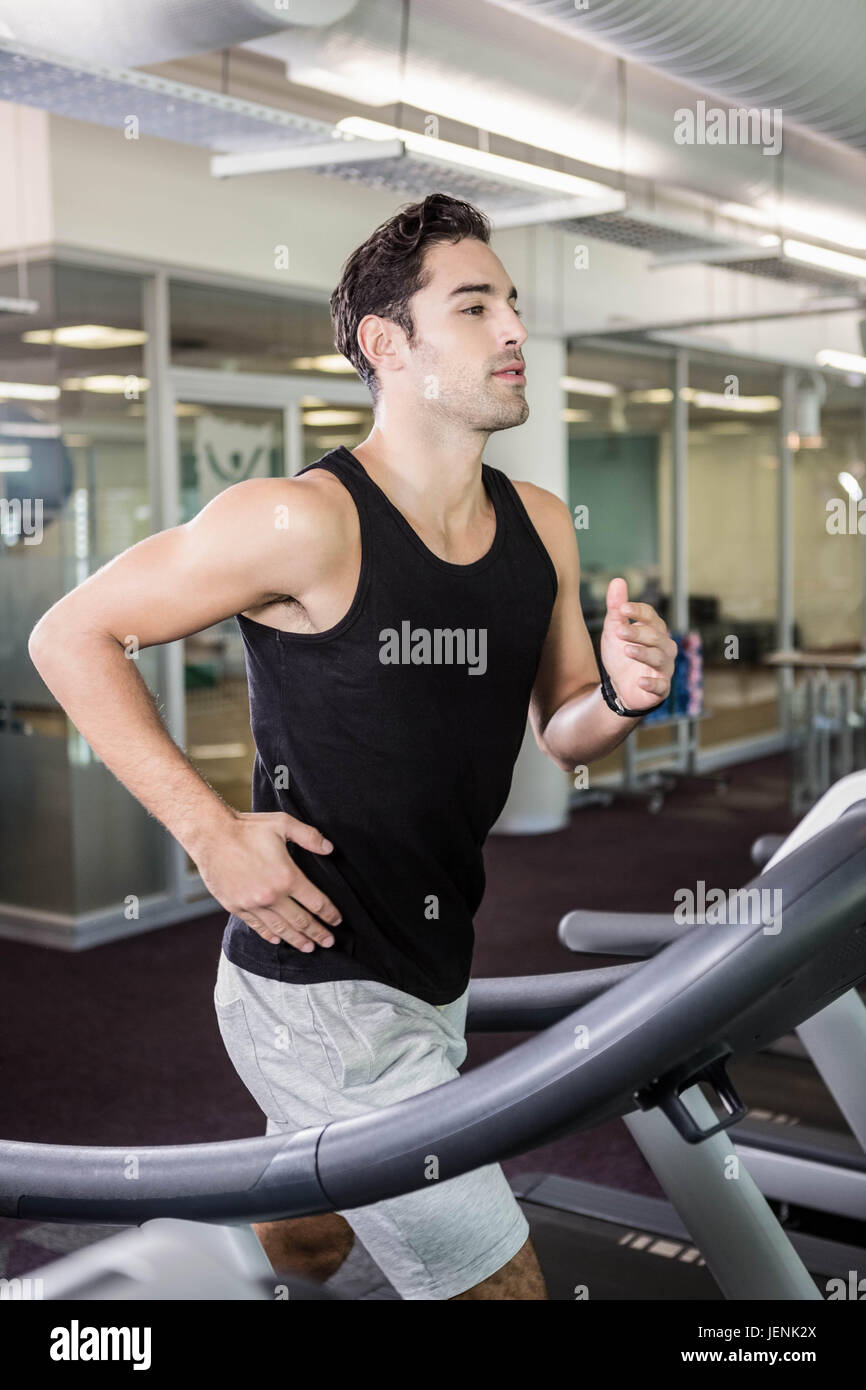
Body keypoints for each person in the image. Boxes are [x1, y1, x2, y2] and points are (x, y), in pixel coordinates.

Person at [28, 192, 675, 1300]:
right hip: (316, 980)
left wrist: (622, 695)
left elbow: (564, 731)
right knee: (498, 1287)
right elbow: (69, 633)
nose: (514, 329)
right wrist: (208, 830)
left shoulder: (540, 523)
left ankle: (244, 1271)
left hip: (433, 964)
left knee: (316, 1233)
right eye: (473, 307)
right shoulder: (300, 520)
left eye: (511, 303)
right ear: (388, 344)